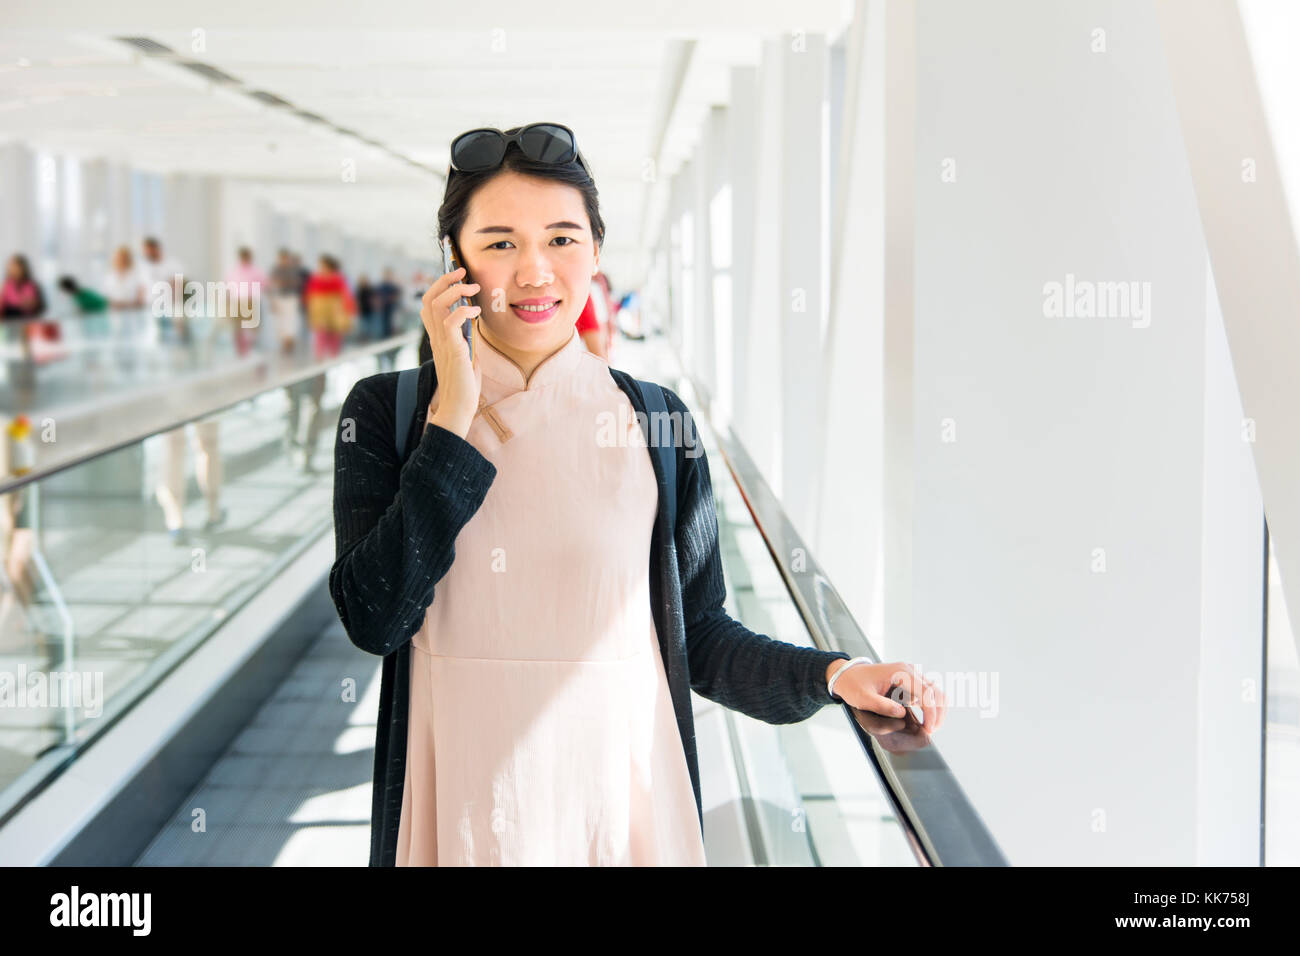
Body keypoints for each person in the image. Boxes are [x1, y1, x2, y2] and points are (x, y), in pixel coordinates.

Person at [329, 122, 948, 868]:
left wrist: (836, 674)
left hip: (620, 809)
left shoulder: (656, 420)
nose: (534, 270)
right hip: (463, 810)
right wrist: (453, 416)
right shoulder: (388, 412)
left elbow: (703, 634)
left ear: (595, 251)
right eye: (499, 243)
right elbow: (375, 615)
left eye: (562, 239)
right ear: (454, 262)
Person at [223, 246, 266, 356]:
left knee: (251, 327)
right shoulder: (234, 271)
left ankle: (248, 348)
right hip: (237, 301)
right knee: (237, 327)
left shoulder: (256, 271)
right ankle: (240, 350)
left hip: (251, 301)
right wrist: (227, 303)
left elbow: (264, 285)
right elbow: (228, 287)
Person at [1, 255, 45, 319]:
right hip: (10, 320)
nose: (14, 270)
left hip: (28, 319)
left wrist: (33, 304)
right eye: (12, 267)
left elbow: (40, 306)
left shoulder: (32, 285)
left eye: (16, 267)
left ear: (23, 268)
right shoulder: (7, 286)